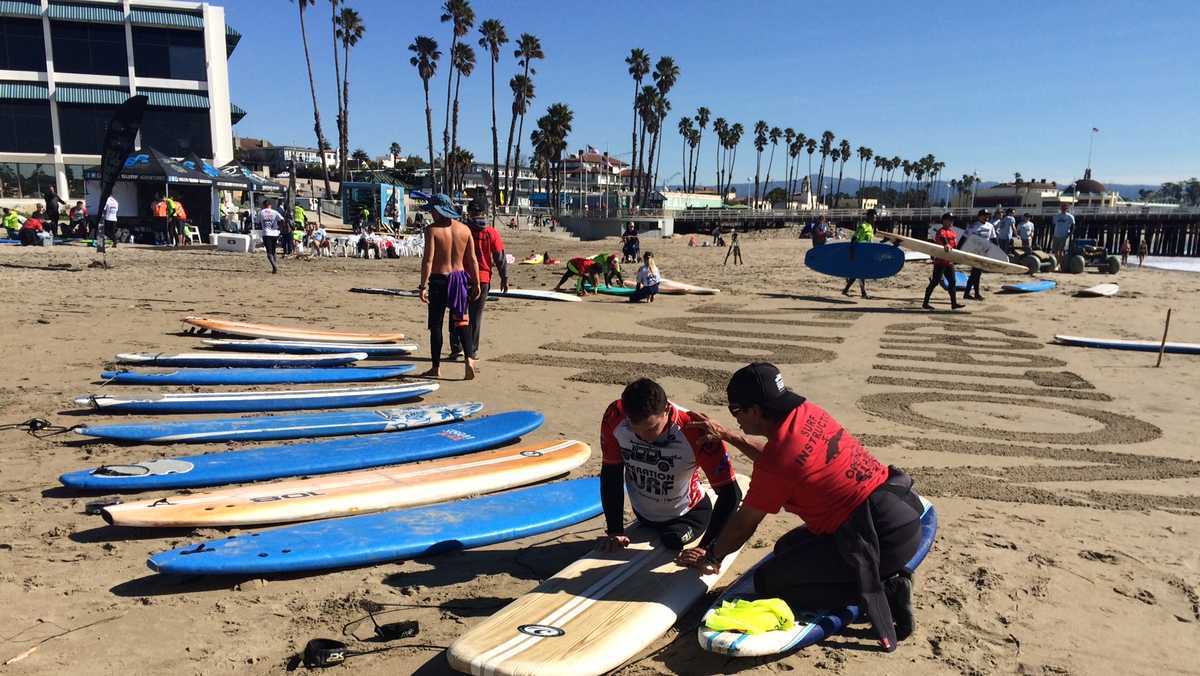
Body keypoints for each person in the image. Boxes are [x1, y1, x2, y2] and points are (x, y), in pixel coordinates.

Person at [677, 363, 928, 652]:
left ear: (755, 411)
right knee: (786, 547)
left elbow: (745, 523)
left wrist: (712, 555)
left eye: (736, 412)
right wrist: (729, 436)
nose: (737, 420)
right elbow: (781, 457)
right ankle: (886, 575)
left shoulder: (777, 463)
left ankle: (887, 588)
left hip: (879, 539)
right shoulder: (808, 413)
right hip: (901, 511)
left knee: (769, 582)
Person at [599, 378, 742, 553]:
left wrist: (707, 549)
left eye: (652, 429)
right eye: (635, 429)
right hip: (643, 515)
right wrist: (615, 530)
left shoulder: (695, 429)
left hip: (688, 516)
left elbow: (731, 495)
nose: (645, 438)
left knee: (672, 540)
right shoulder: (615, 416)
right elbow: (611, 473)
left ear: (666, 409)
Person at [417, 193, 481, 380]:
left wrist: (422, 286)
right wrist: (476, 282)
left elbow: (428, 260)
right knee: (462, 323)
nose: (432, 215)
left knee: (436, 325)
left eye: (433, 211)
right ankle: (469, 359)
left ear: (437, 211)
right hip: (460, 278)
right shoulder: (465, 230)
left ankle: (436, 368)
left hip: (439, 279)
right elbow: (472, 259)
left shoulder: (432, 230)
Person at [449, 198, 508, 361]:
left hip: (461, 276)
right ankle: (472, 350)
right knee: (475, 316)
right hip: (482, 278)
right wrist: (504, 277)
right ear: (484, 212)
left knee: (457, 312)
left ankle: (457, 348)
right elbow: (499, 257)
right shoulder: (491, 232)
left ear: (470, 212)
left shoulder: (462, 229)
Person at [923, 213, 965, 310]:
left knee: (953, 282)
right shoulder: (940, 231)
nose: (951, 222)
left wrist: (957, 257)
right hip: (940, 262)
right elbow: (942, 238)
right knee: (935, 282)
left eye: (952, 220)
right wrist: (946, 245)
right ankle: (925, 303)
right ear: (944, 221)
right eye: (949, 220)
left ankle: (954, 304)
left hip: (949, 262)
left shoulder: (952, 233)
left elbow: (954, 247)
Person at [842, 209, 876, 297]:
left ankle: (846, 290)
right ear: (868, 216)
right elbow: (854, 238)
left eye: (875, 217)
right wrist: (851, 252)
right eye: (873, 216)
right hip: (859, 253)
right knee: (861, 273)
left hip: (865, 253)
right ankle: (863, 293)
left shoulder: (870, 227)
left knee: (858, 273)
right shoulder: (863, 226)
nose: (874, 218)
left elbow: (869, 242)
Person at [961, 209, 994, 301]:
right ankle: (973, 293)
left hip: (984, 253)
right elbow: (964, 237)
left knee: (976, 274)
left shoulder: (990, 226)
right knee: (976, 273)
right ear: (979, 216)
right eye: (984, 215)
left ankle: (970, 293)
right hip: (974, 252)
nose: (986, 217)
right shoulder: (973, 226)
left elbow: (993, 239)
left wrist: (998, 252)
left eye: (987, 215)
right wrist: (958, 249)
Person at [258, 200, 284, 274]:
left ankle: (274, 266)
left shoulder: (261, 212)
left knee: (269, 252)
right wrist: (279, 228)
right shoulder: (275, 212)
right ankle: (275, 265)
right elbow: (282, 220)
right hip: (275, 233)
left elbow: (258, 222)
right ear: (270, 205)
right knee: (273, 250)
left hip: (266, 233)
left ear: (264, 205)